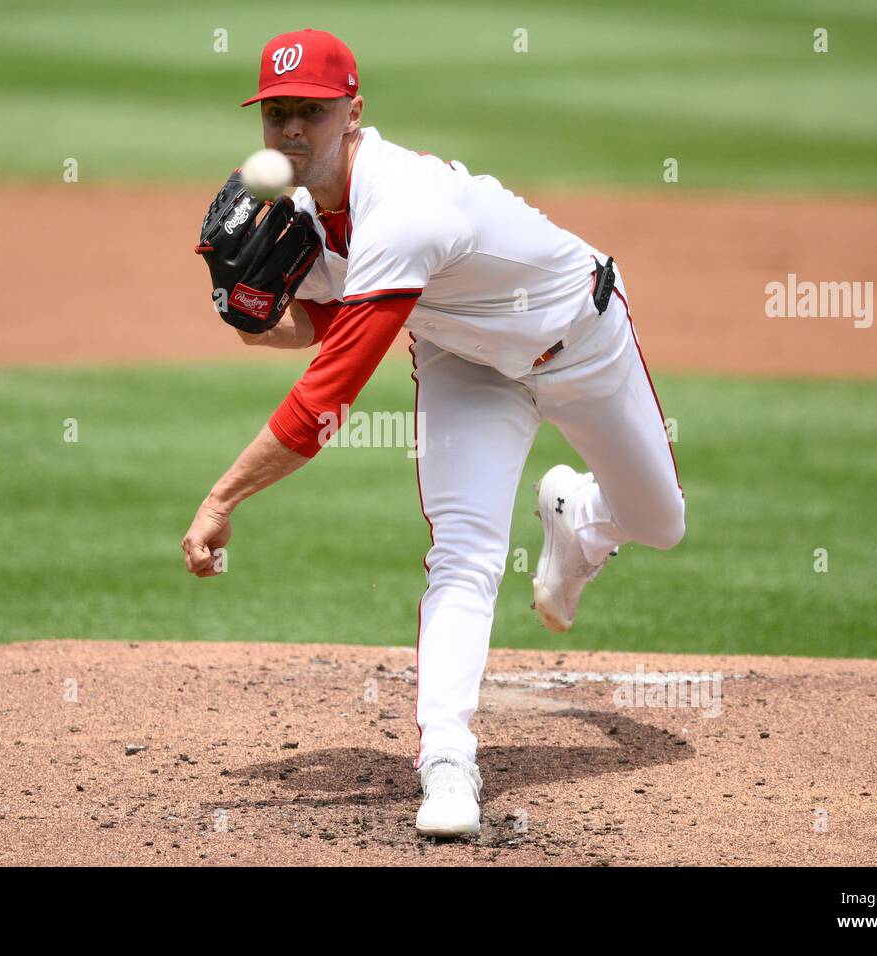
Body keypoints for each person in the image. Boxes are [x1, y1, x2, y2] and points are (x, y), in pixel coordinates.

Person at [181, 28, 685, 838]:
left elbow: (326, 398)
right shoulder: (304, 215)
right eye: (276, 113)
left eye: (311, 109)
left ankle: (579, 521)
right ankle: (448, 764)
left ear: (353, 112)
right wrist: (245, 312)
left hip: (582, 343)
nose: (291, 131)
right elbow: (312, 323)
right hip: (468, 365)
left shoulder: (405, 204)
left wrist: (221, 497)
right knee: (465, 551)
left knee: (661, 523)